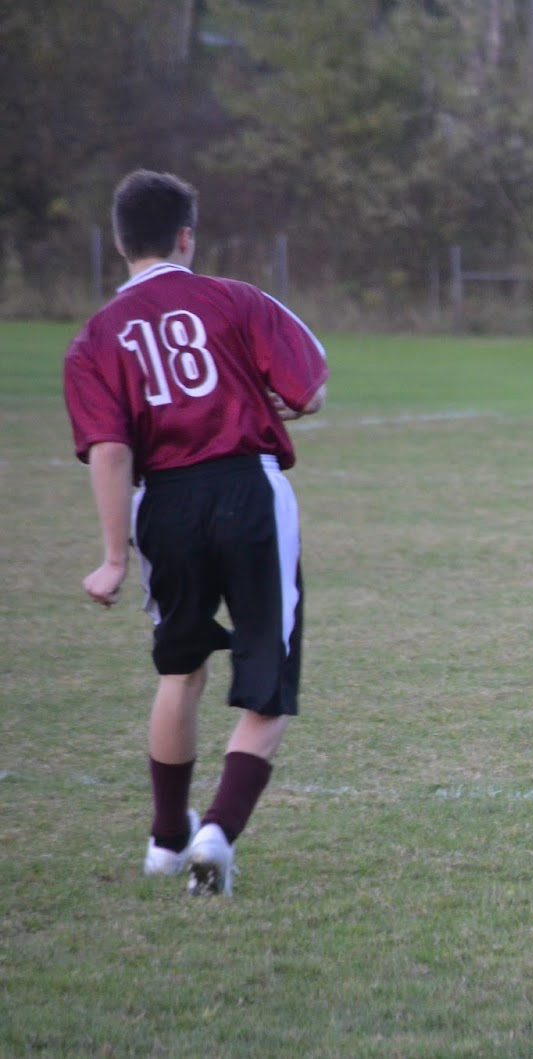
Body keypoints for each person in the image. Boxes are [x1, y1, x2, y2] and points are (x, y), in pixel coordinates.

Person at [64, 169, 329, 897]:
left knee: (179, 671)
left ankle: (166, 836)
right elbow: (310, 384)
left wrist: (114, 555)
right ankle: (217, 831)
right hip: (248, 489)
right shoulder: (234, 298)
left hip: (165, 503)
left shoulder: (95, 338)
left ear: (120, 242)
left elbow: (111, 450)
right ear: (187, 237)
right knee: (265, 690)